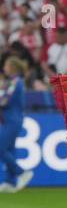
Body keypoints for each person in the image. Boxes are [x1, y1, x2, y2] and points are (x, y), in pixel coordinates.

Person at [0, 56, 32, 193]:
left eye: (6, 65)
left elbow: (4, 100)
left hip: (12, 120)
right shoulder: (12, 82)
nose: (4, 68)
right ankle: (10, 181)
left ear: (12, 67)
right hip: (10, 119)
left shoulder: (15, 81)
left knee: (1, 149)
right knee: (9, 150)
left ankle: (21, 172)